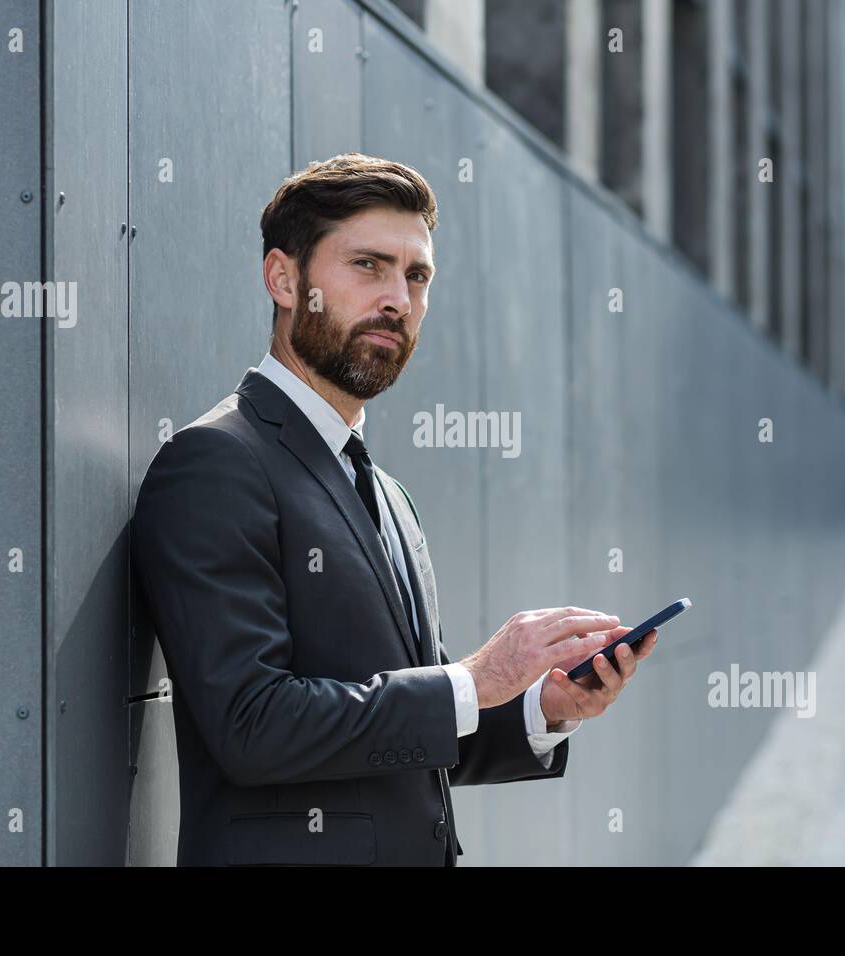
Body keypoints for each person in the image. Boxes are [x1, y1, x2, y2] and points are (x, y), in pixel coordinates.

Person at [131, 152, 658, 866]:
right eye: (369, 266)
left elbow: (415, 735)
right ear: (284, 279)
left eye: (417, 276)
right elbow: (250, 724)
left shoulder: (387, 494)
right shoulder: (215, 463)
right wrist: (474, 678)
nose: (399, 301)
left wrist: (545, 708)